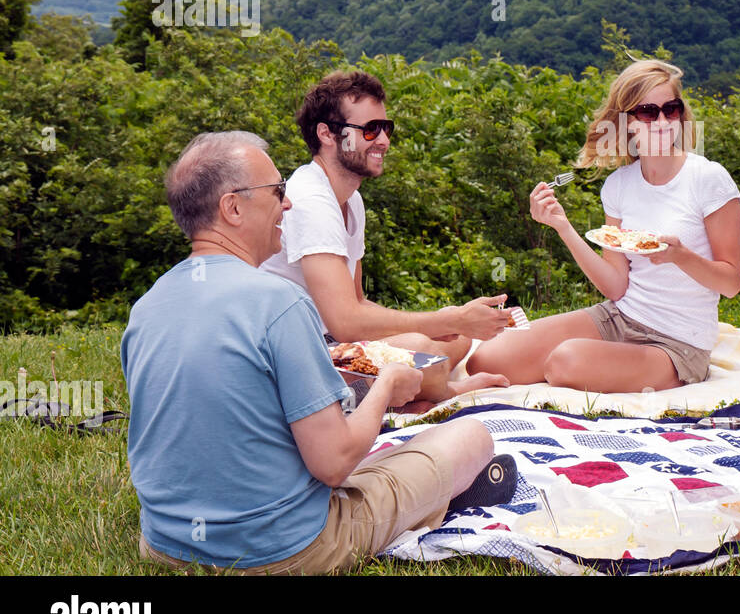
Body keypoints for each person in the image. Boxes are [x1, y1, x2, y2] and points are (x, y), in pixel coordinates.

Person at [121, 132, 514, 574]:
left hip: (165, 545)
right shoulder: (280, 302)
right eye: (277, 192)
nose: (287, 205)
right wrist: (385, 386)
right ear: (232, 208)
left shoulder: (147, 306)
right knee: (471, 437)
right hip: (283, 550)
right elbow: (332, 464)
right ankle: (441, 502)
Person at [467, 59, 740, 391]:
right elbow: (616, 288)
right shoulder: (619, 185)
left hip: (678, 343)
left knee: (564, 361)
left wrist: (680, 256)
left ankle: (610, 364)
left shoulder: (708, 178)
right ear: (626, 122)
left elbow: (731, 283)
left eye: (671, 109)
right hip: (620, 318)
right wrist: (563, 227)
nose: (661, 121)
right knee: (485, 360)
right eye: (647, 112)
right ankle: (610, 361)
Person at [261, 70, 509, 403]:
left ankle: (420, 391)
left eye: (385, 128)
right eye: (369, 130)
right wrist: (447, 319)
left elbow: (358, 301)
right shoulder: (311, 198)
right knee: (426, 351)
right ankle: (447, 391)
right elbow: (346, 321)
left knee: (455, 340)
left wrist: (448, 322)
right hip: (300, 352)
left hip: (333, 340)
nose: (383, 141)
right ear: (327, 134)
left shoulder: (352, 200)